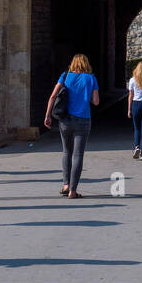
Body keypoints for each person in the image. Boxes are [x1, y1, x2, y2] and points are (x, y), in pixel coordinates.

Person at [44, 54, 98, 198]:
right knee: (78, 155)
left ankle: (66, 184)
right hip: (83, 120)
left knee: (66, 152)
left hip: (65, 120)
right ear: (86, 64)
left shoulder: (65, 75)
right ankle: (73, 191)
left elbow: (53, 96)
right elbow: (96, 101)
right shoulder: (91, 78)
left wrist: (47, 115)